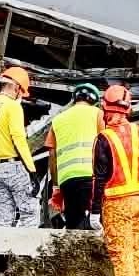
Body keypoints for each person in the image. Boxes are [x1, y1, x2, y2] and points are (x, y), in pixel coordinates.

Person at [91, 84, 139, 276]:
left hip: (118, 202)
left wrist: (94, 211)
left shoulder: (104, 138)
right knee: (137, 248)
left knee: (121, 252)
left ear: (106, 109)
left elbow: (99, 178)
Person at [0, 66, 39, 228]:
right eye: (21, 92)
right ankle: (25, 252)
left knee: (5, 220)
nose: (20, 97)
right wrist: (32, 172)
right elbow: (18, 140)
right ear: (16, 87)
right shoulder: (12, 107)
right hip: (15, 168)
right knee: (30, 215)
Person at [43, 83, 102, 229]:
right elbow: (106, 144)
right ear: (94, 100)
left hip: (66, 180)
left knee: (74, 223)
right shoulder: (98, 114)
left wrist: (56, 186)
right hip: (91, 176)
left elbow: (52, 155)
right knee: (96, 222)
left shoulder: (57, 120)